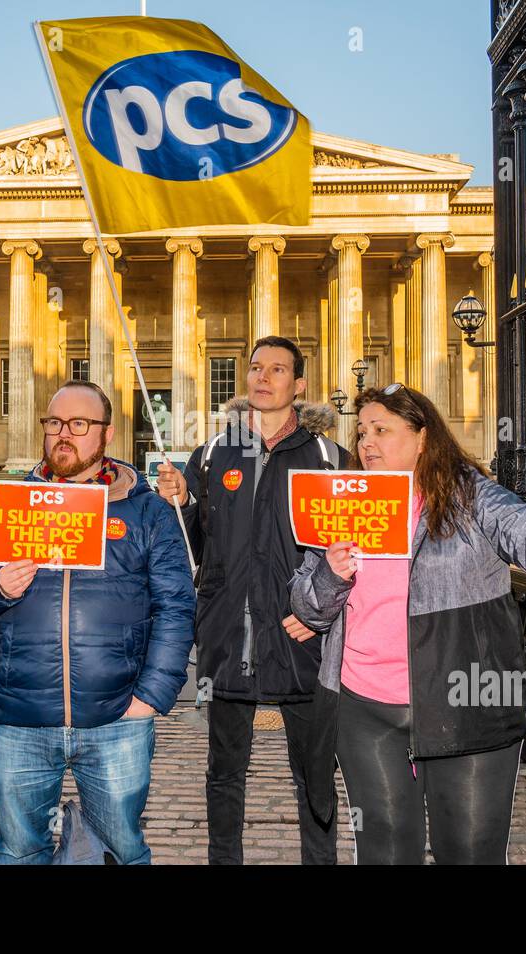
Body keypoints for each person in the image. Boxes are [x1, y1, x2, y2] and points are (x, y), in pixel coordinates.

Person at [288, 383, 526, 864]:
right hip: (365, 704)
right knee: (385, 849)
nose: (367, 442)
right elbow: (308, 606)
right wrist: (331, 573)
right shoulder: (347, 502)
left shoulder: (467, 495)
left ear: (422, 438)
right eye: (362, 432)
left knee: (471, 851)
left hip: (466, 699)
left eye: (381, 430)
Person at [0, 379, 194, 864]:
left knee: (121, 851)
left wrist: (151, 698)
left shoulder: (148, 511)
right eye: (54, 423)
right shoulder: (7, 502)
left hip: (117, 718)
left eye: (79, 424)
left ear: (106, 434)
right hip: (20, 717)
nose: (65, 434)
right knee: (19, 851)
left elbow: (176, 607)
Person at [155, 335, 348, 865]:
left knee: (314, 774)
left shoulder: (329, 458)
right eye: (256, 368)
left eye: (278, 370)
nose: (263, 378)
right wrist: (182, 500)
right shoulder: (215, 452)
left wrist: (321, 613)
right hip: (227, 637)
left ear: (299, 384)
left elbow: (352, 550)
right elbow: (192, 542)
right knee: (224, 772)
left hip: (299, 635)